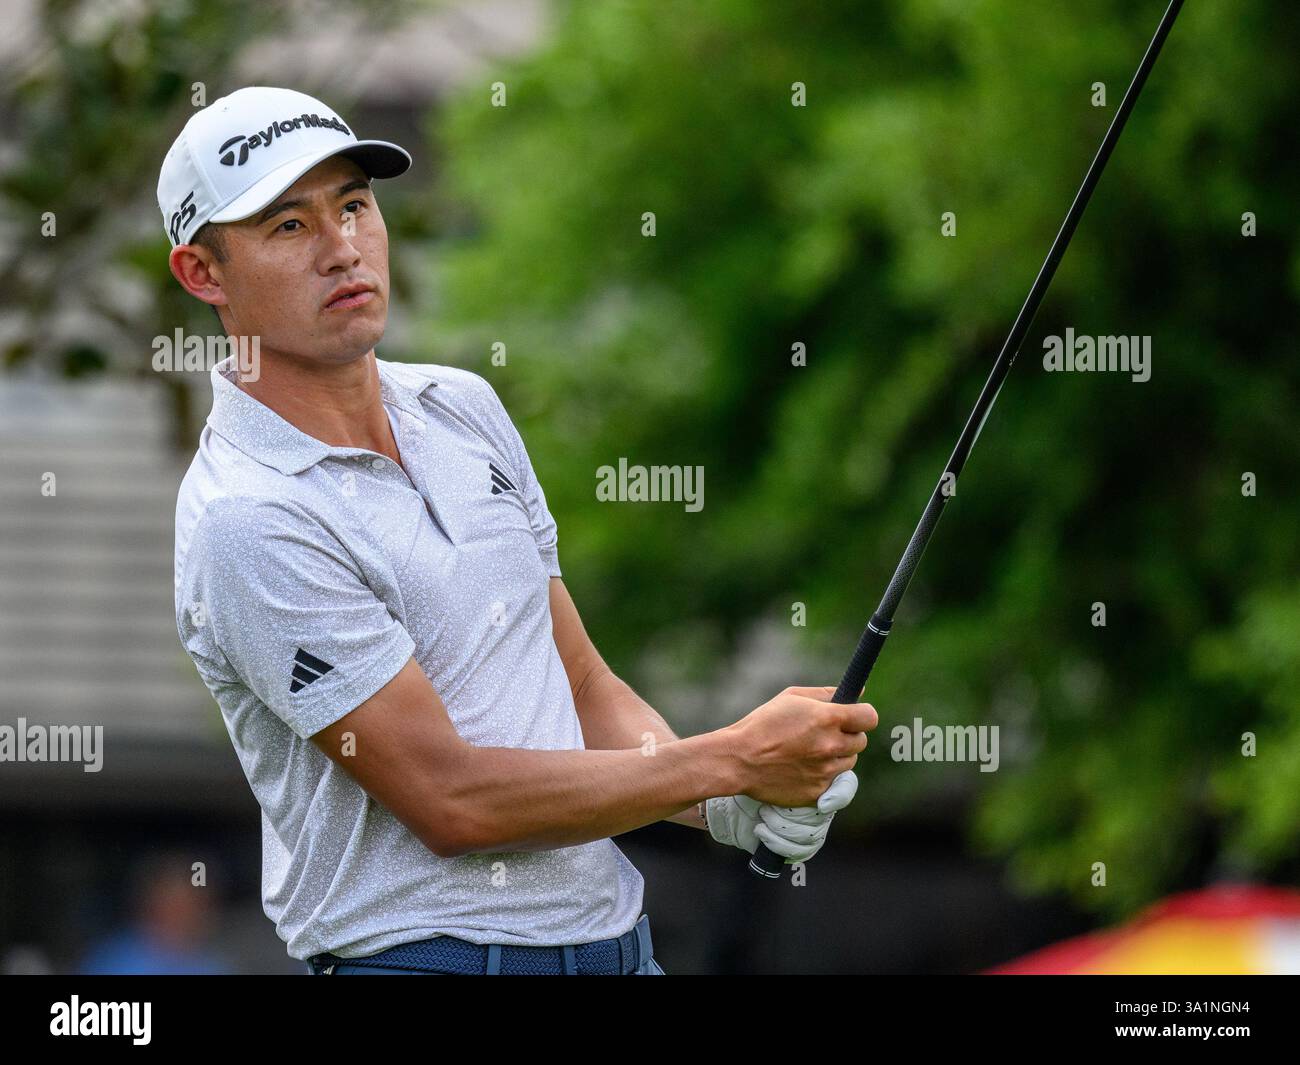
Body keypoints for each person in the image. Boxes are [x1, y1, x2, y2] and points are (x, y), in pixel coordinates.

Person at [162, 86, 877, 975]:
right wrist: (727, 761)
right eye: (289, 227)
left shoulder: (463, 408)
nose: (343, 249)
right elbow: (454, 801)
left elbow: (581, 683)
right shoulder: (249, 515)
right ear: (203, 274)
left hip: (619, 948)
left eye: (354, 206)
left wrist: (726, 808)